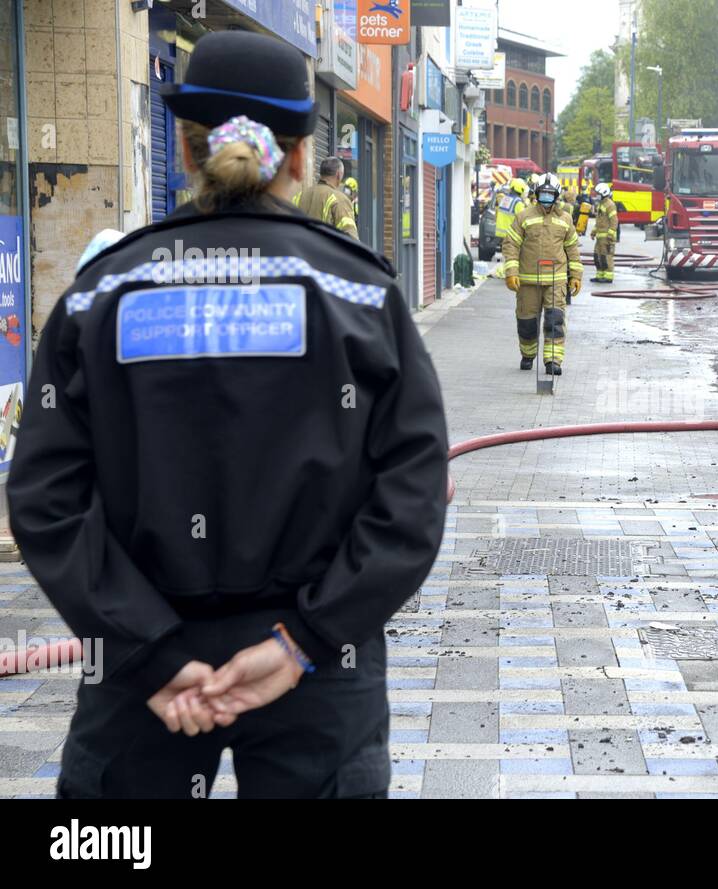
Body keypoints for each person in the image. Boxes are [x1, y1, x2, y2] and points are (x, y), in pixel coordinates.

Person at [6, 30, 449, 799]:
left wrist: (147, 651)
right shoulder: (363, 297)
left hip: (139, 667)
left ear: (184, 151)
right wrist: (304, 640)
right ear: (302, 157)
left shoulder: (98, 296)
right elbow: (413, 489)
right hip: (316, 666)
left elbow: (46, 496)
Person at [502, 172, 581, 375]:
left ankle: (553, 361)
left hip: (556, 280)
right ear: (537, 194)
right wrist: (511, 272)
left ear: (556, 195)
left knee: (555, 321)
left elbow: (572, 248)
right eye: (543, 193)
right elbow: (511, 244)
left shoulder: (565, 219)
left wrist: (576, 276)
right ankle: (528, 355)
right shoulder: (524, 216)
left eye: (550, 194)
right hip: (528, 280)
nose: (546, 198)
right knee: (527, 322)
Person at [292, 156, 358, 239]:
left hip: (299, 250)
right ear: (338, 175)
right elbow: (351, 237)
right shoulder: (340, 199)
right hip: (325, 251)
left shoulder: (300, 196)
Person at [591, 183, 618, 284]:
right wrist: (594, 231)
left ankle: (608, 276)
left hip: (606, 238)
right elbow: (599, 221)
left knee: (606, 257)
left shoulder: (610, 205)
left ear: (604, 193)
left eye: (598, 193)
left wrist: (610, 234)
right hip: (599, 237)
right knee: (597, 257)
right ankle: (600, 275)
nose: (597, 195)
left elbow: (614, 221)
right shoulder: (601, 204)